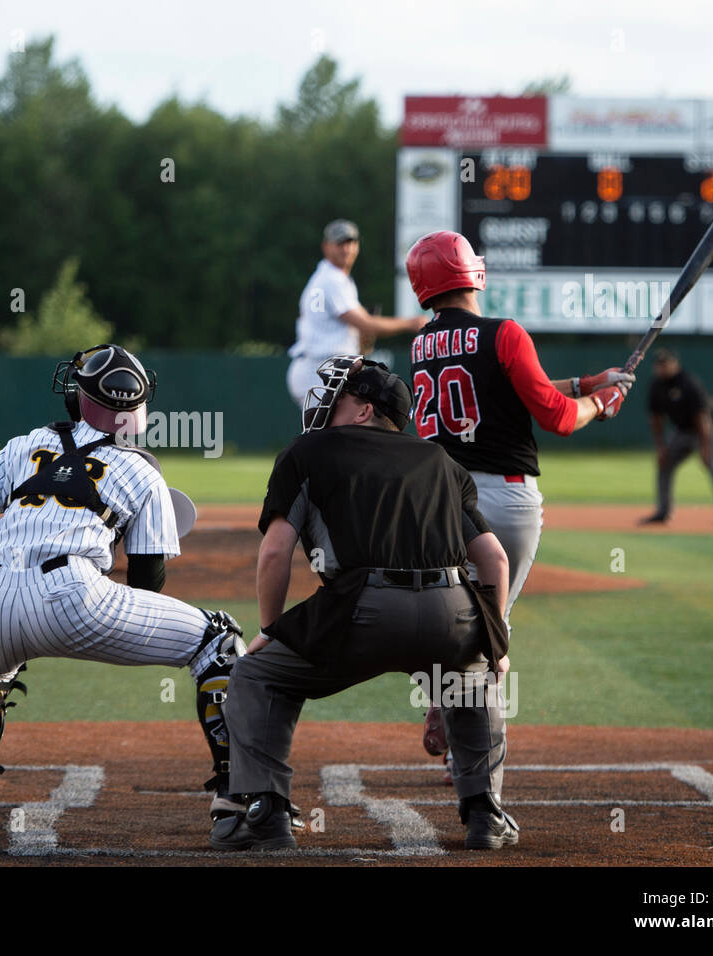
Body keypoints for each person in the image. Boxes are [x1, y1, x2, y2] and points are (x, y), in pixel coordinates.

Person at [0, 344, 248, 827]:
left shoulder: (26, 443)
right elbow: (148, 584)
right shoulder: (142, 469)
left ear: (82, 399)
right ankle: (237, 793)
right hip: (74, 595)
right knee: (217, 640)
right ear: (137, 408)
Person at [210, 356, 516, 852]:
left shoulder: (307, 451)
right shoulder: (442, 461)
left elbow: (274, 553)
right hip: (451, 611)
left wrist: (271, 628)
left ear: (365, 410)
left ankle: (267, 811)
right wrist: (495, 643)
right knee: (473, 679)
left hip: (361, 610)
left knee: (258, 675)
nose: (327, 403)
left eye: (341, 396)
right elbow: (495, 560)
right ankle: (485, 813)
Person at [403, 230, 633, 778]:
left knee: (450, 618)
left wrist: (584, 382)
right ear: (473, 273)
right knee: (490, 630)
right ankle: (475, 769)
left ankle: (442, 700)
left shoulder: (420, 344)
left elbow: (502, 389)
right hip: (504, 502)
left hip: (439, 502)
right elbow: (556, 417)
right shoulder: (504, 332)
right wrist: (600, 403)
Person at [286, 219, 427, 406]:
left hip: (323, 369)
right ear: (326, 247)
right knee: (351, 421)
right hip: (319, 370)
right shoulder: (331, 279)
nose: (346, 249)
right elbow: (366, 323)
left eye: (351, 243)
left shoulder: (334, 278)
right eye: (340, 243)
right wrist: (410, 323)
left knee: (353, 420)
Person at [639, 349, 713, 528]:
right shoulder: (656, 385)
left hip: (711, 428)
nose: (662, 367)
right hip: (683, 431)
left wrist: (706, 449)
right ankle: (663, 512)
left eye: (665, 363)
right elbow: (656, 419)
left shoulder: (688, 383)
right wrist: (661, 447)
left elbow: (702, 418)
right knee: (664, 463)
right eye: (659, 364)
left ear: (675, 364)